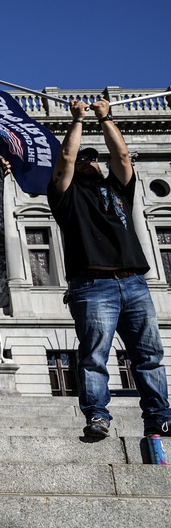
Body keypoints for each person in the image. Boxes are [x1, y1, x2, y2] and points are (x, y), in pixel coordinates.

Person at [48, 98, 171, 440]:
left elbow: (123, 158)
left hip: (133, 281)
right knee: (94, 357)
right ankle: (98, 416)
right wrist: (76, 121)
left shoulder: (118, 189)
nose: (89, 162)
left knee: (148, 354)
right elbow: (66, 161)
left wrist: (106, 119)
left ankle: (159, 416)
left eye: (94, 159)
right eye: (84, 160)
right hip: (91, 285)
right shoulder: (65, 197)